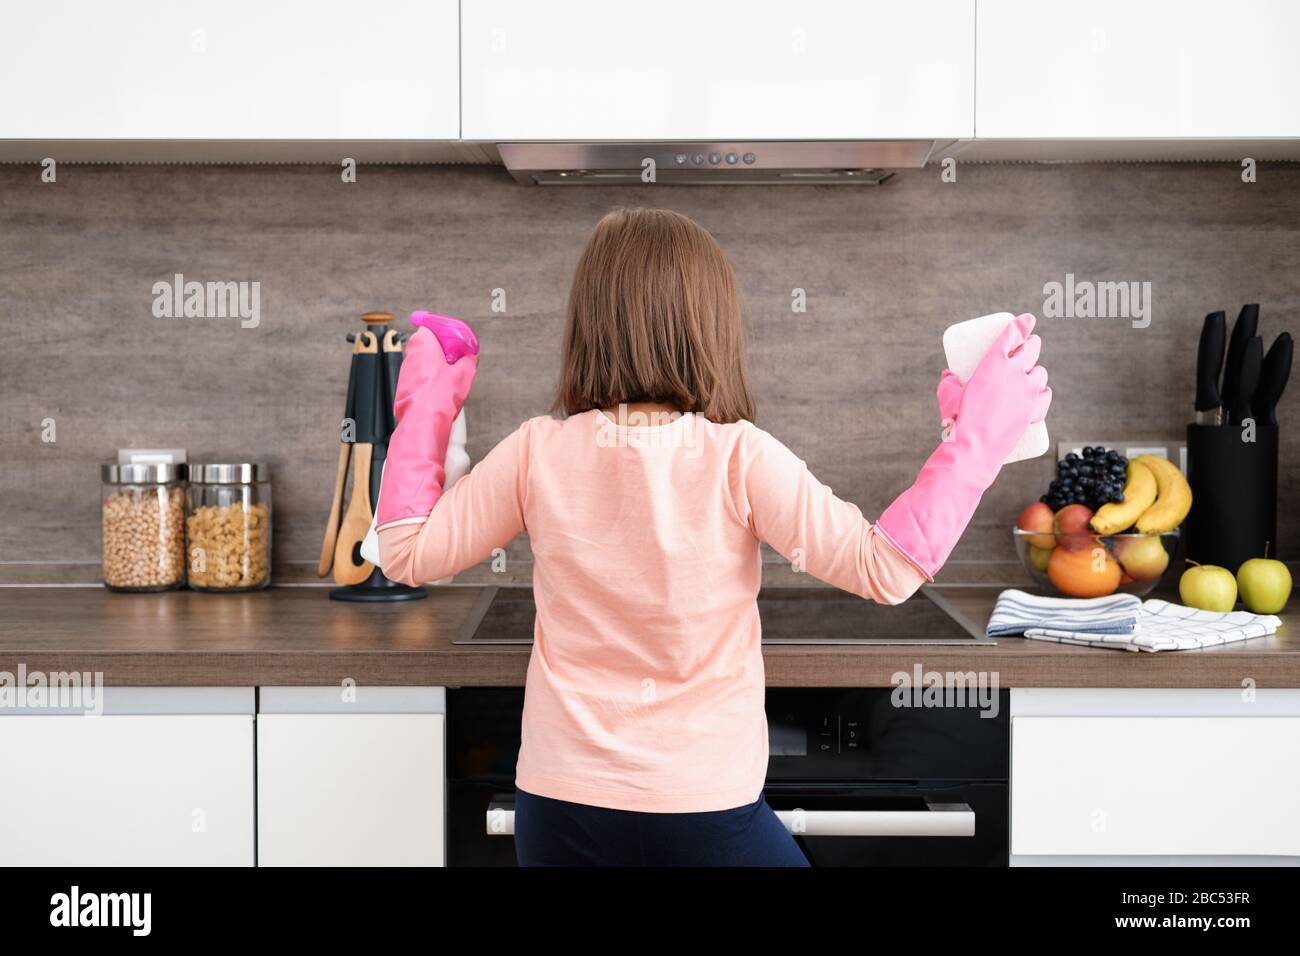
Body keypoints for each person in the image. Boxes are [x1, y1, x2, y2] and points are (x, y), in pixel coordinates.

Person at [375, 207, 1050, 866]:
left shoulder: (536, 452)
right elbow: (887, 568)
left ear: (586, 326)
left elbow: (405, 552)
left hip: (557, 810)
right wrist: (976, 440)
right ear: (711, 328)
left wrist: (432, 398)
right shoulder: (739, 458)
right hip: (702, 814)